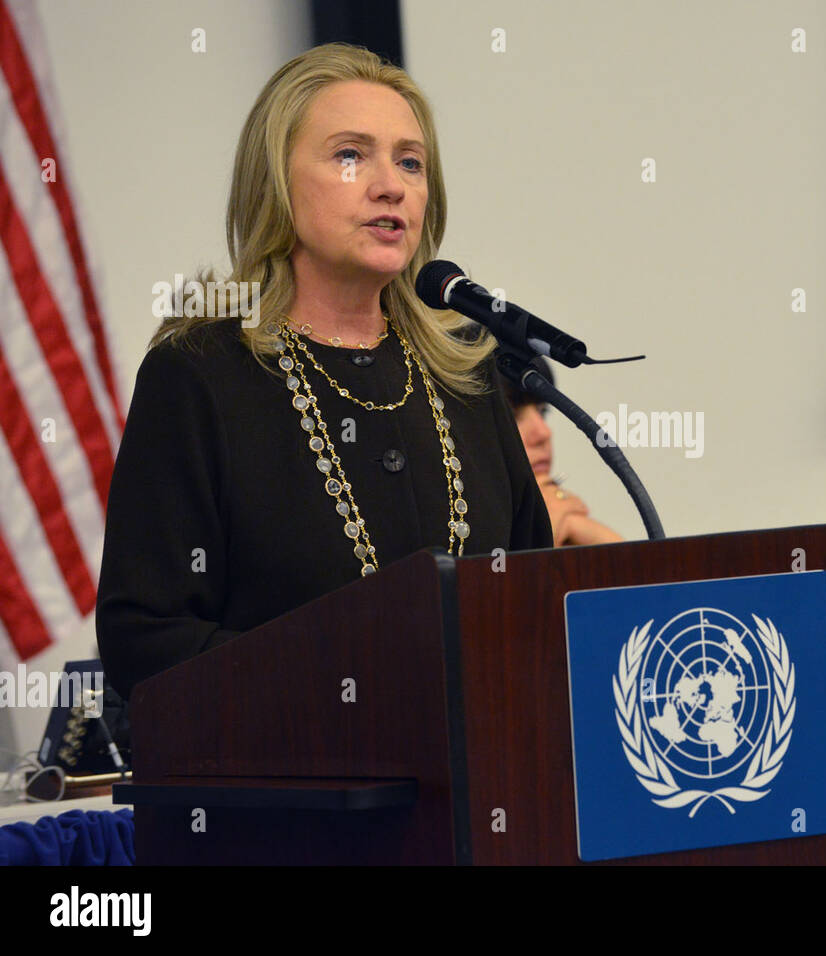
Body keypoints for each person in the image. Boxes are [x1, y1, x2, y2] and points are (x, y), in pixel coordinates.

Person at [96, 44, 552, 699]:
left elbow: (537, 596)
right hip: (295, 791)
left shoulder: (467, 372)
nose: (391, 184)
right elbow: (145, 639)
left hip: (481, 787)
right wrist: (342, 682)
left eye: (410, 162)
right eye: (349, 155)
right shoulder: (199, 375)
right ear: (276, 181)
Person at [502, 358, 623, 546]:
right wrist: (539, 538)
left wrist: (573, 524)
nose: (543, 433)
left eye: (543, 412)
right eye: (511, 415)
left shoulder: (563, 518)